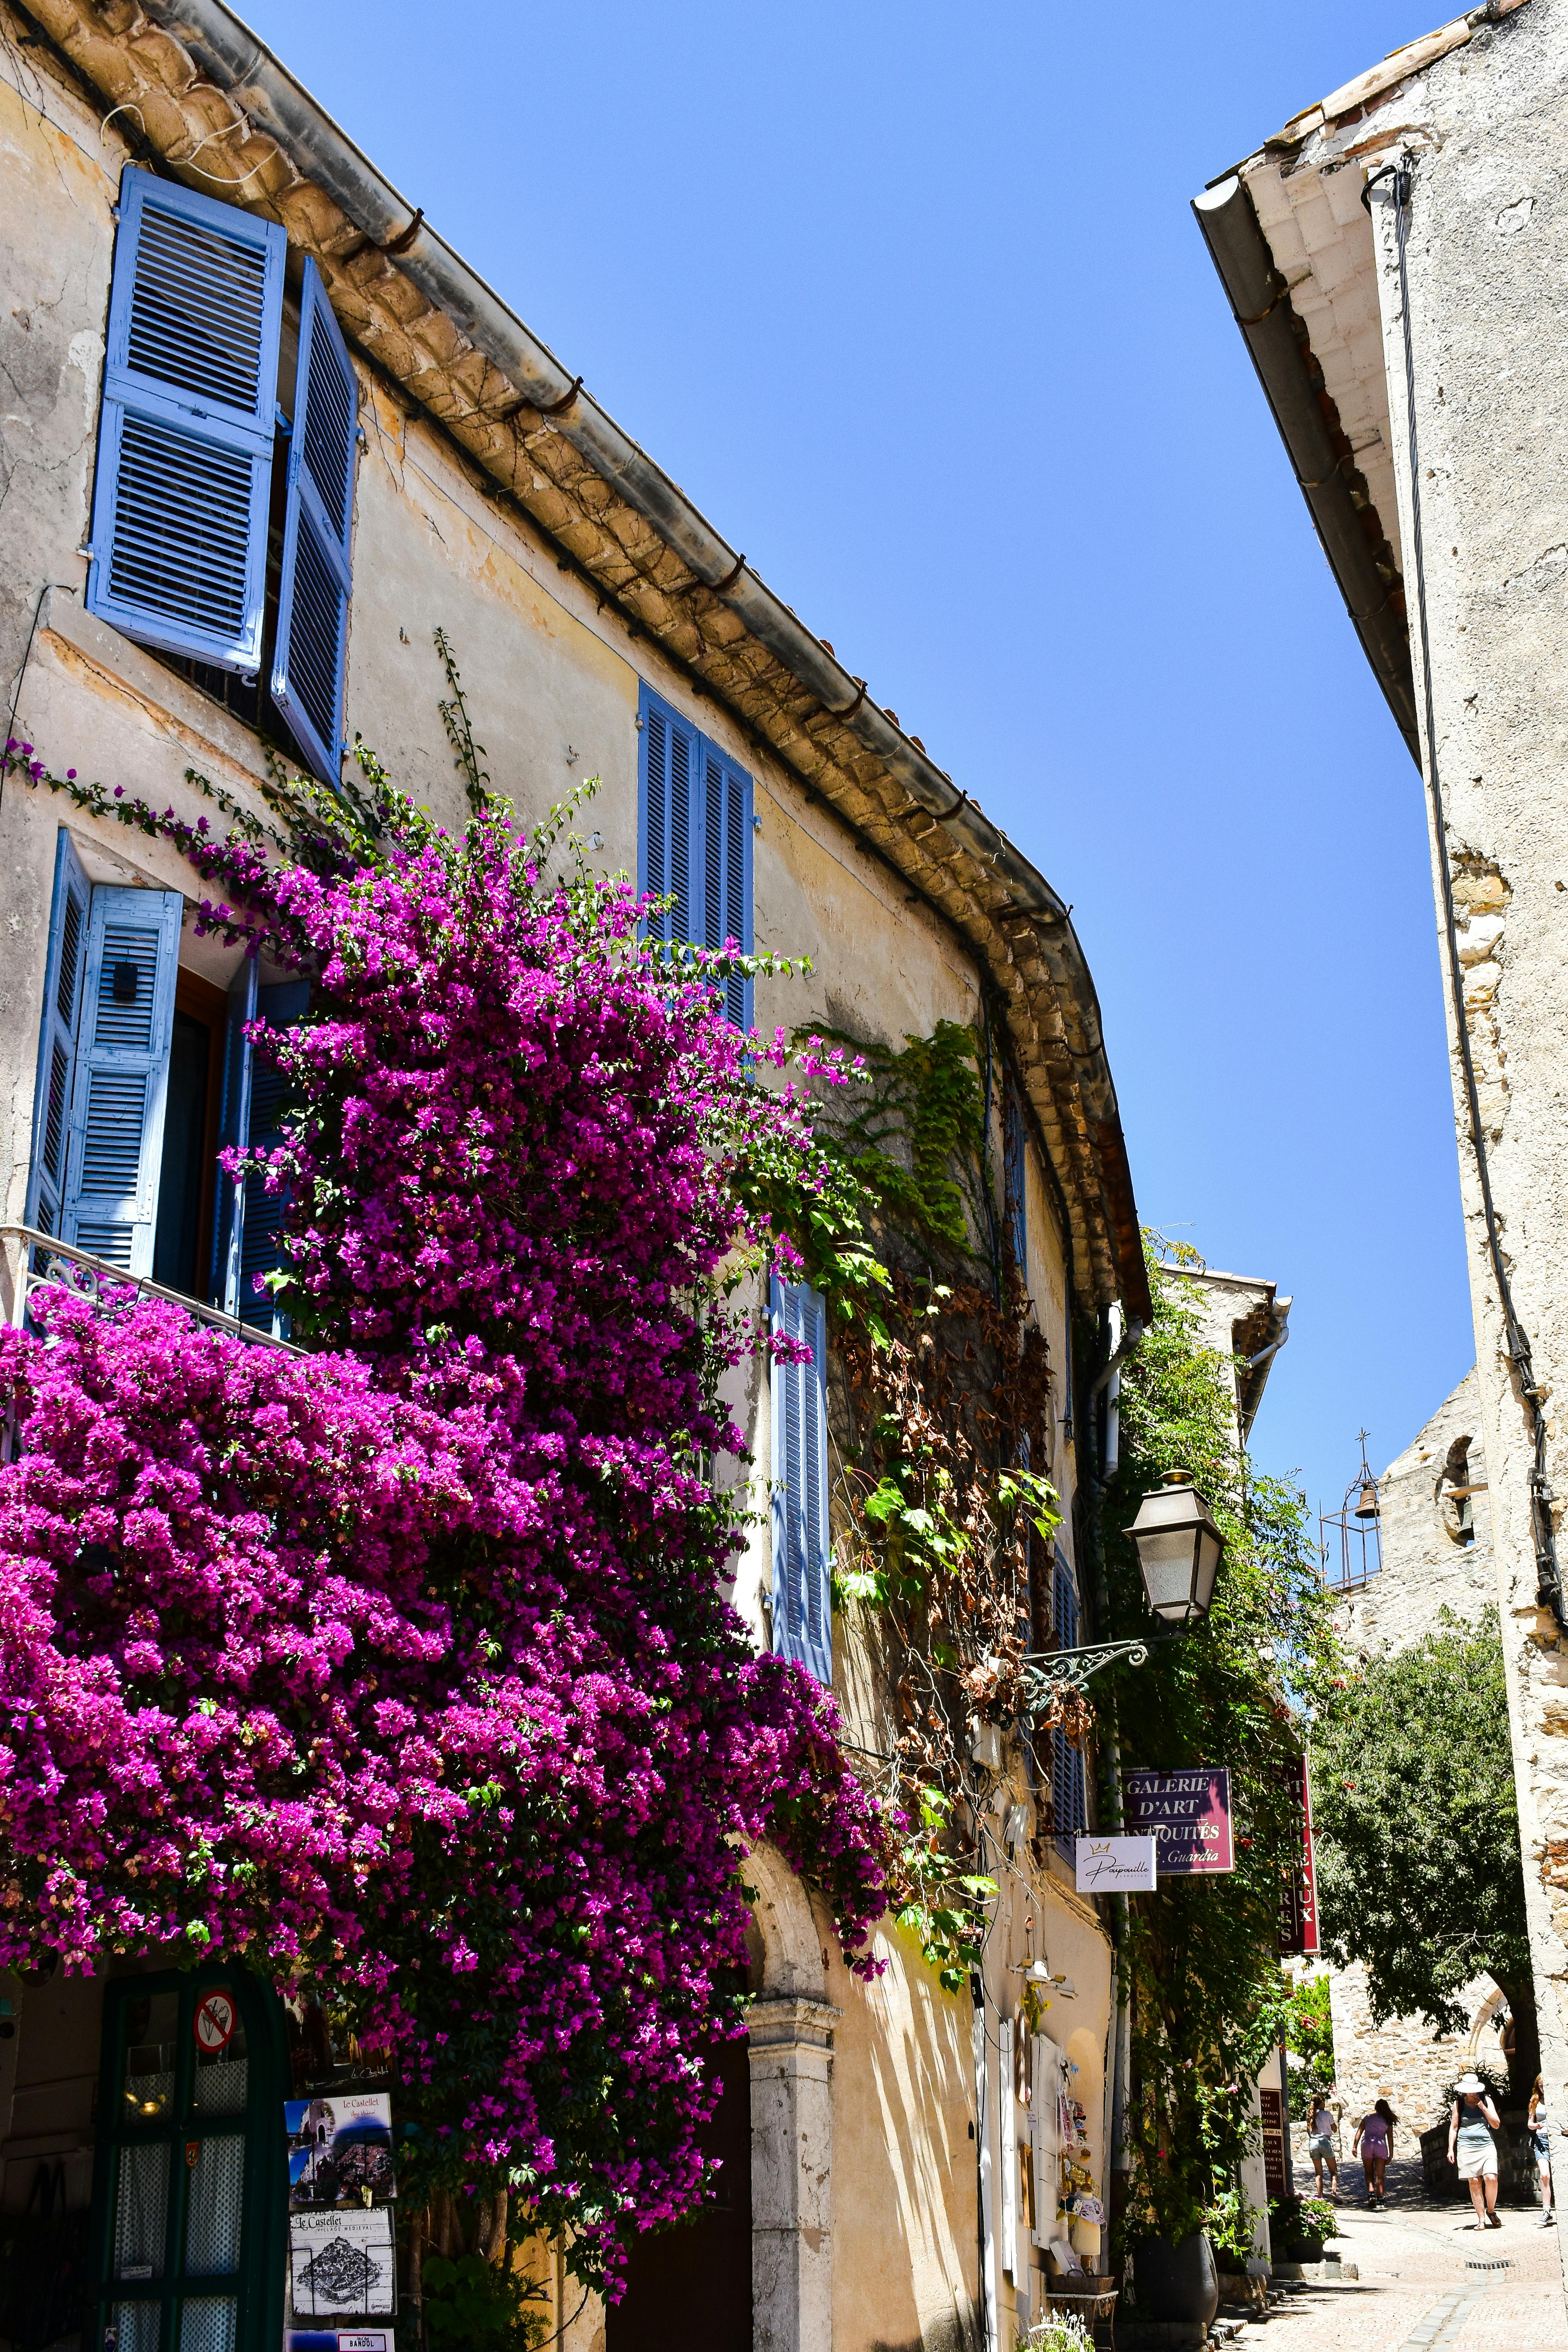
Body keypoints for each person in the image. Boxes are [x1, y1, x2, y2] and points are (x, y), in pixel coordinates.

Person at [1448, 2072, 1503, 2229]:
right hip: (1466, 2146)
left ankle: (1491, 2211)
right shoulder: (1458, 2104)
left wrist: (1483, 2107)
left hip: (1486, 2145)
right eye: (1469, 2091)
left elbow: (1496, 2124)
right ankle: (1481, 2219)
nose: (1472, 2093)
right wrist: (1450, 2149)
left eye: (1474, 2090)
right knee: (1474, 2181)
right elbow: (1454, 2127)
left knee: (1491, 2178)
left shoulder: (1487, 2100)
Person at [1354, 2099, 1397, 2205]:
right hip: (1380, 2145)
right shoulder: (1388, 2120)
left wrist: (1354, 2147)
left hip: (1367, 2144)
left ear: (1376, 2108)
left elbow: (1359, 2132)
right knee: (1380, 2175)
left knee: (1369, 2172)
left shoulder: (1367, 2118)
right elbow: (1390, 2138)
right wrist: (1391, 2154)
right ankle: (1381, 2199)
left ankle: (1371, 2194)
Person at [1529, 2075, 1554, 2226]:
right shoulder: (1535, 2101)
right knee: (1545, 2175)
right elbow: (1530, 2123)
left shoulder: (1559, 2098)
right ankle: (1547, 2211)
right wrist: (1534, 2126)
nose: (1544, 2088)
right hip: (1542, 2141)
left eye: (1546, 2085)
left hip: (1557, 2140)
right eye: (1541, 2085)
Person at [1306, 2090, 1339, 2199]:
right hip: (1325, 2142)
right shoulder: (1327, 2114)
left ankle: (1320, 2197)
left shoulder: (1310, 2115)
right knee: (1333, 2171)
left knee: (1318, 2173)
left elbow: (1309, 2131)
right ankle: (1333, 2192)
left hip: (1314, 2143)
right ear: (1322, 2103)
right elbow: (1334, 2129)